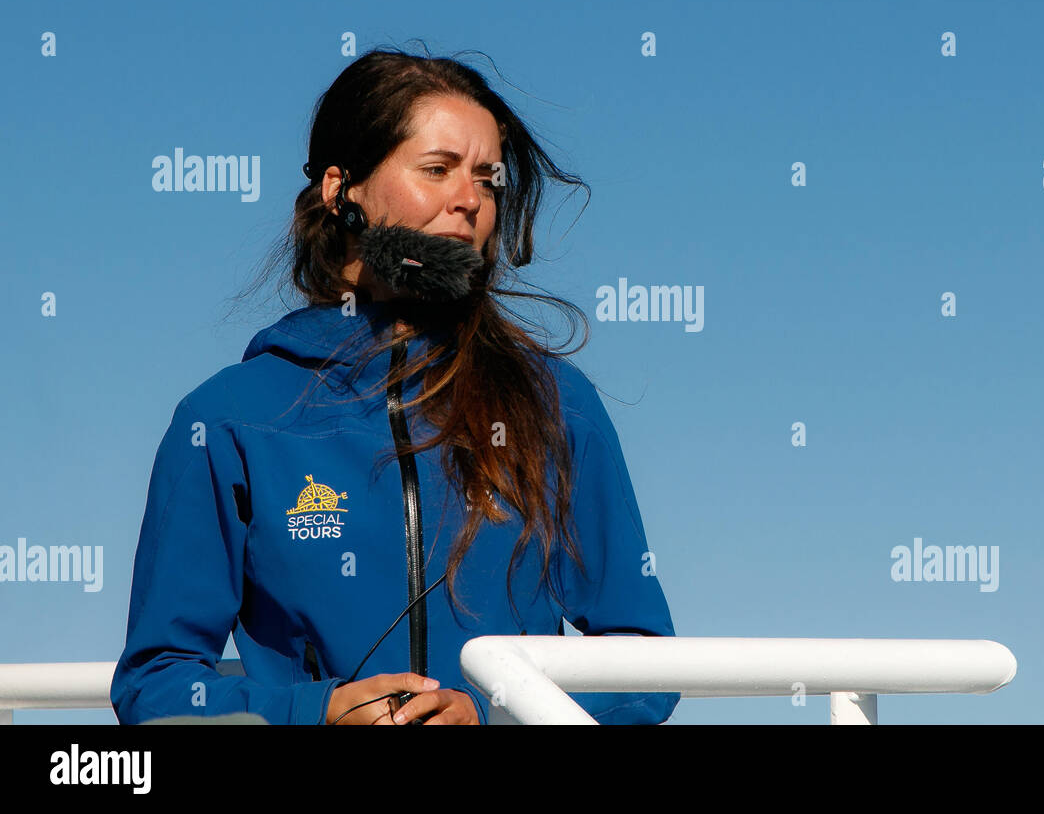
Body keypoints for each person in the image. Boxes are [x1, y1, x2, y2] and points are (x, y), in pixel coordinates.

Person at [110, 48, 680, 725]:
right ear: (340, 190)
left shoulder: (554, 402)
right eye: (437, 170)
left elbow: (645, 661)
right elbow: (157, 681)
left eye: (487, 180)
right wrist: (314, 712)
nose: (469, 200)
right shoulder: (228, 420)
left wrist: (498, 714)